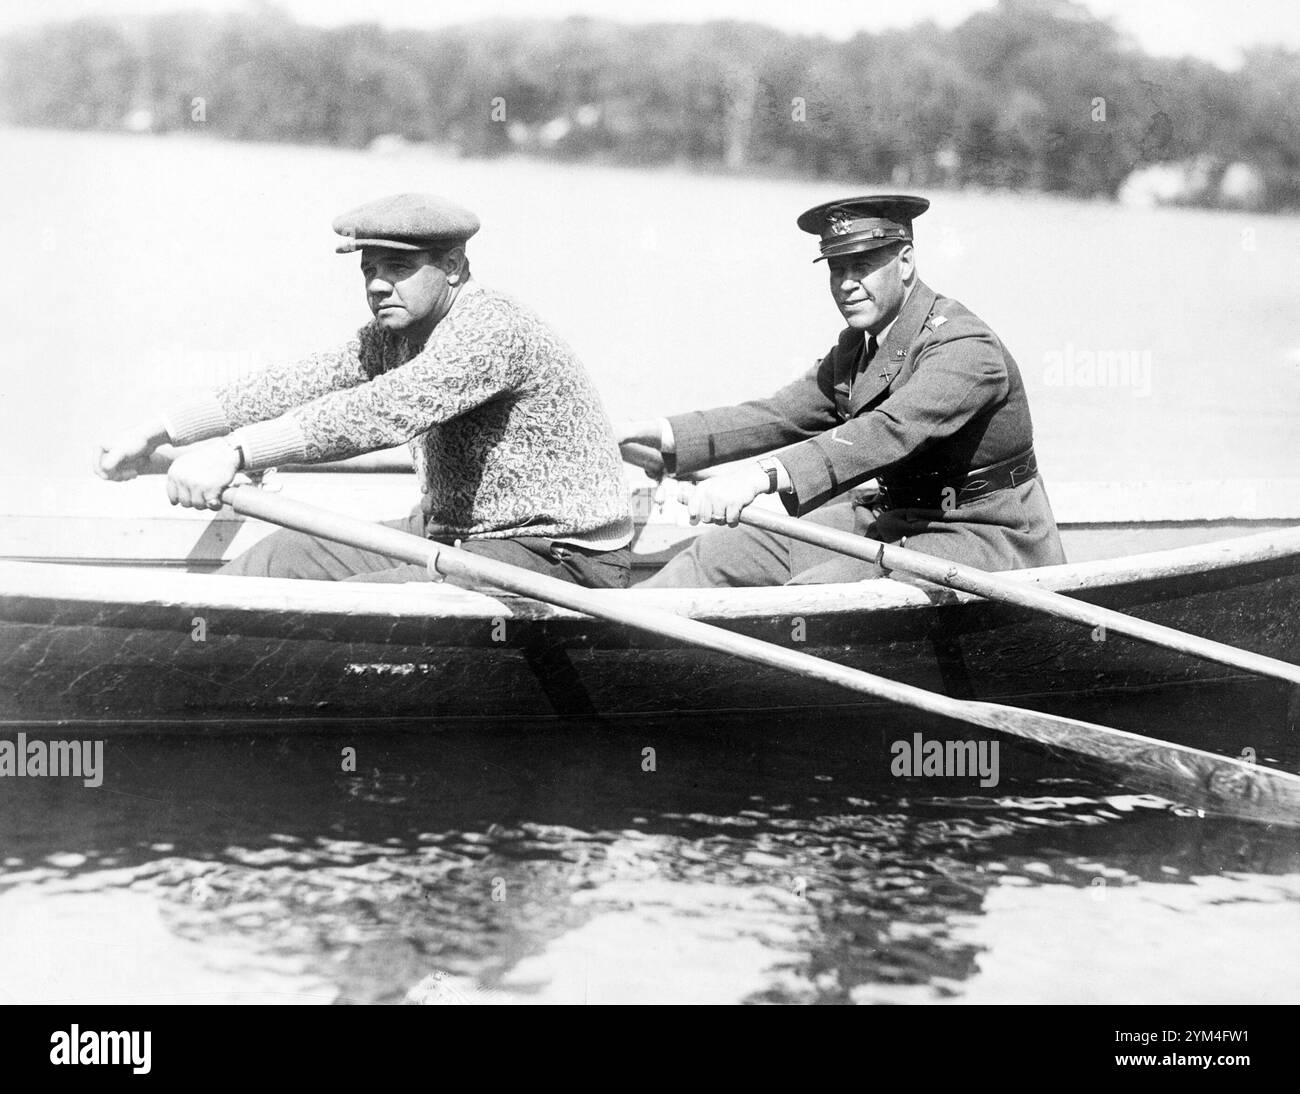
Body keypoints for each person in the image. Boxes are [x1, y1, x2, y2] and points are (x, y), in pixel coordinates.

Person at [95, 192, 633, 588]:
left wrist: (237, 452)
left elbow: (379, 413)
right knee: (281, 559)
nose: (377, 285)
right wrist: (158, 430)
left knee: (354, 604)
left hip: (558, 556)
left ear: (452, 267)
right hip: (455, 535)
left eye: (398, 267)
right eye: (369, 269)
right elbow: (294, 383)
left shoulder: (491, 331)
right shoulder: (393, 333)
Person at [618, 194, 1065, 587]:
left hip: (982, 532)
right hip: (893, 518)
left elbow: (889, 429)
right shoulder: (858, 347)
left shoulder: (965, 346)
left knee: (814, 597)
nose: (847, 284)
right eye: (837, 268)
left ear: (906, 261)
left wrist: (756, 478)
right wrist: (656, 435)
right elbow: (780, 416)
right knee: (719, 554)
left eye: (864, 266)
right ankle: (610, 643)